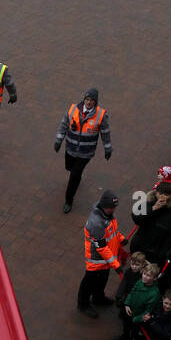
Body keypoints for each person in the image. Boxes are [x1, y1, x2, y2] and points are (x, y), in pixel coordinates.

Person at [54, 87, 112, 213]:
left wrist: (108, 148)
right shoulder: (73, 110)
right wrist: (58, 140)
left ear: (95, 102)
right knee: (69, 168)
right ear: (84, 99)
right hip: (71, 148)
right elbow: (63, 125)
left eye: (92, 100)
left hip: (86, 153)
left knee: (74, 176)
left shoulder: (101, 115)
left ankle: (69, 200)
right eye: (87, 99)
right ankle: (77, 176)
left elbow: (105, 133)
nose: (89, 102)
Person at [78, 190, 126, 318]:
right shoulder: (96, 223)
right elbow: (101, 248)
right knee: (89, 282)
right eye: (112, 208)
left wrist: (120, 238)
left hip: (105, 260)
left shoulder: (108, 215)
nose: (114, 210)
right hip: (96, 261)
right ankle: (83, 304)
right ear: (104, 206)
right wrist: (116, 264)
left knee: (102, 280)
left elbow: (112, 231)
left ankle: (98, 297)